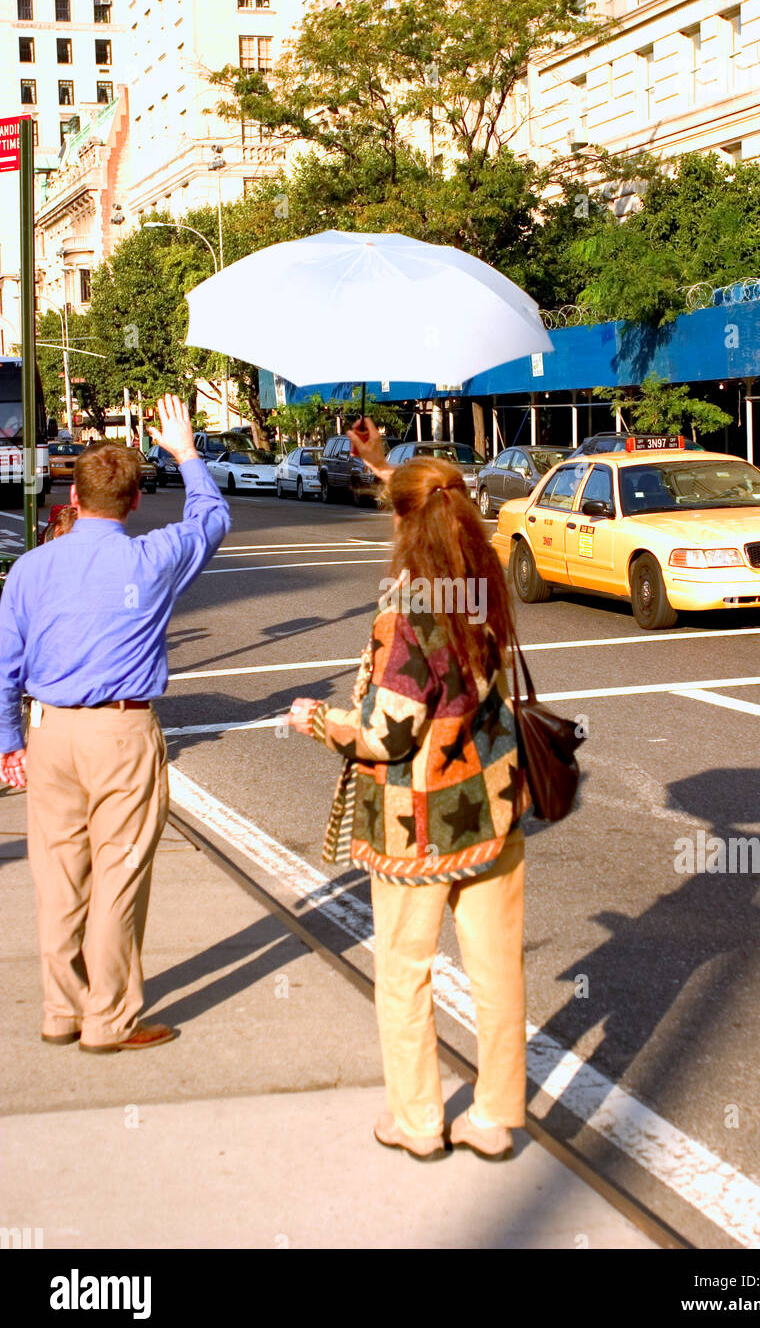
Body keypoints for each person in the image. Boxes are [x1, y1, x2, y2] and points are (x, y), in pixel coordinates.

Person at [286, 419, 530, 1162]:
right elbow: (432, 497)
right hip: (490, 805)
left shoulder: (409, 615)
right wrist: (381, 464)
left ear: (404, 525)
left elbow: (387, 733)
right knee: (496, 971)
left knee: (403, 970)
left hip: (418, 821)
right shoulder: (480, 587)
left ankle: (418, 1119)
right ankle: (494, 1116)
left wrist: (319, 719)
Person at [0, 395, 230, 1052]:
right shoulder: (154, 558)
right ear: (133, 503)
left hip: (48, 731)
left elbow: (4, 663)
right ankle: (106, 1019)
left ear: (73, 496)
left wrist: (8, 741)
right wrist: (185, 453)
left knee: (58, 876)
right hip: (121, 733)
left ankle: (59, 1010)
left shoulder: (31, 567)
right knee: (119, 873)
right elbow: (211, 517)